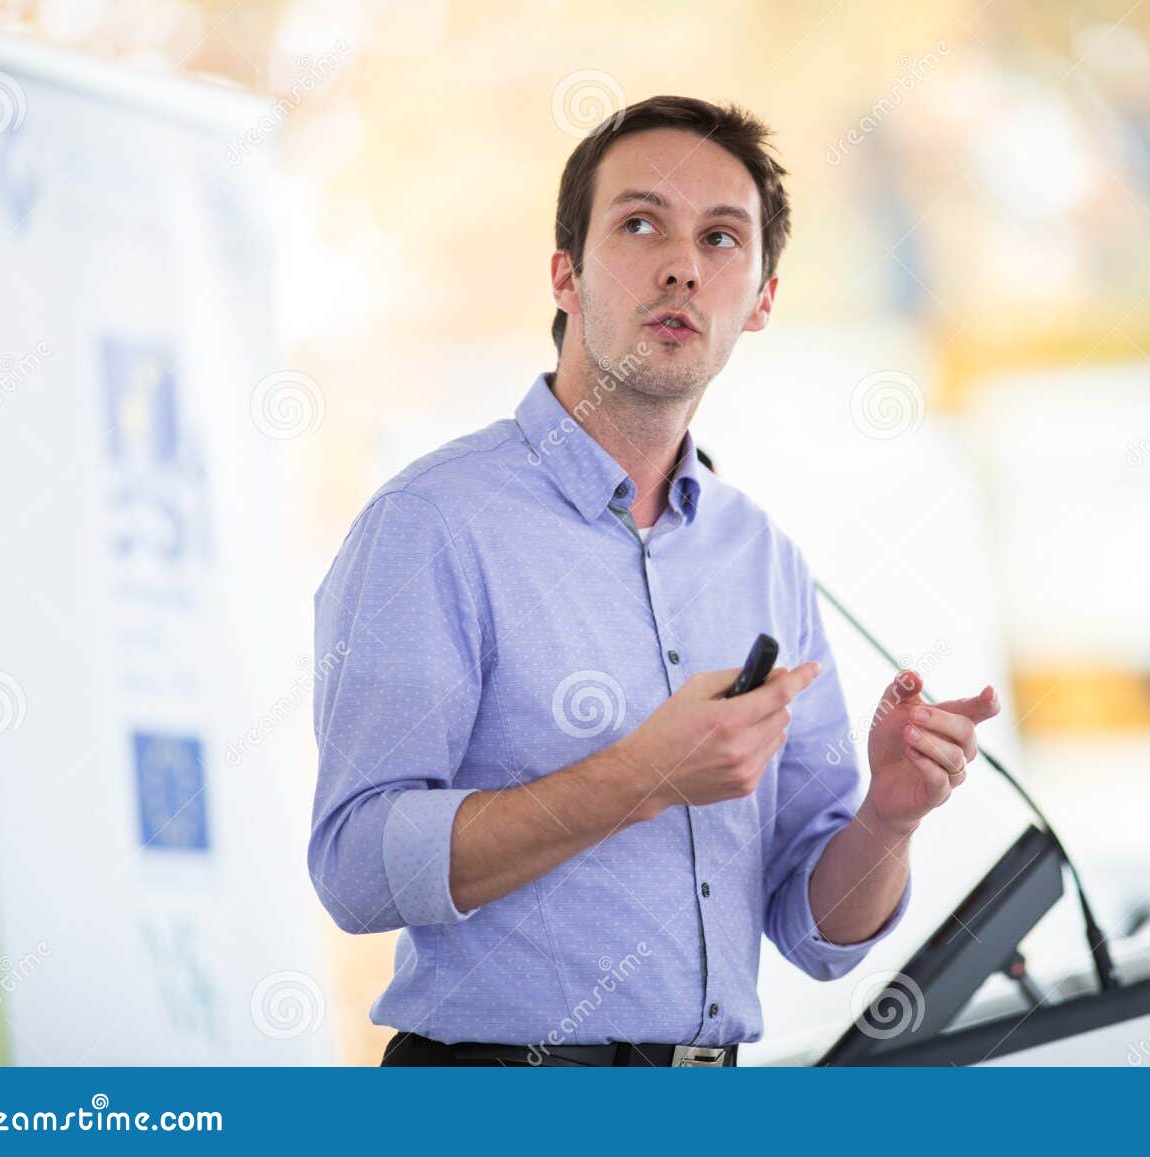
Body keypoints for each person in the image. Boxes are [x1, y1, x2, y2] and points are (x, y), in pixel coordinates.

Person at [307, 94, 999, 1067]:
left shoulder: (763, 557)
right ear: (565, 274)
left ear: (759, 299)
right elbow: (355, 870)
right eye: (640, 225)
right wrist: (641, 776)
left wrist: (889, 813)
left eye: (722, 238)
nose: (682, 263)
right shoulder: (432, 525)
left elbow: (818, 933)